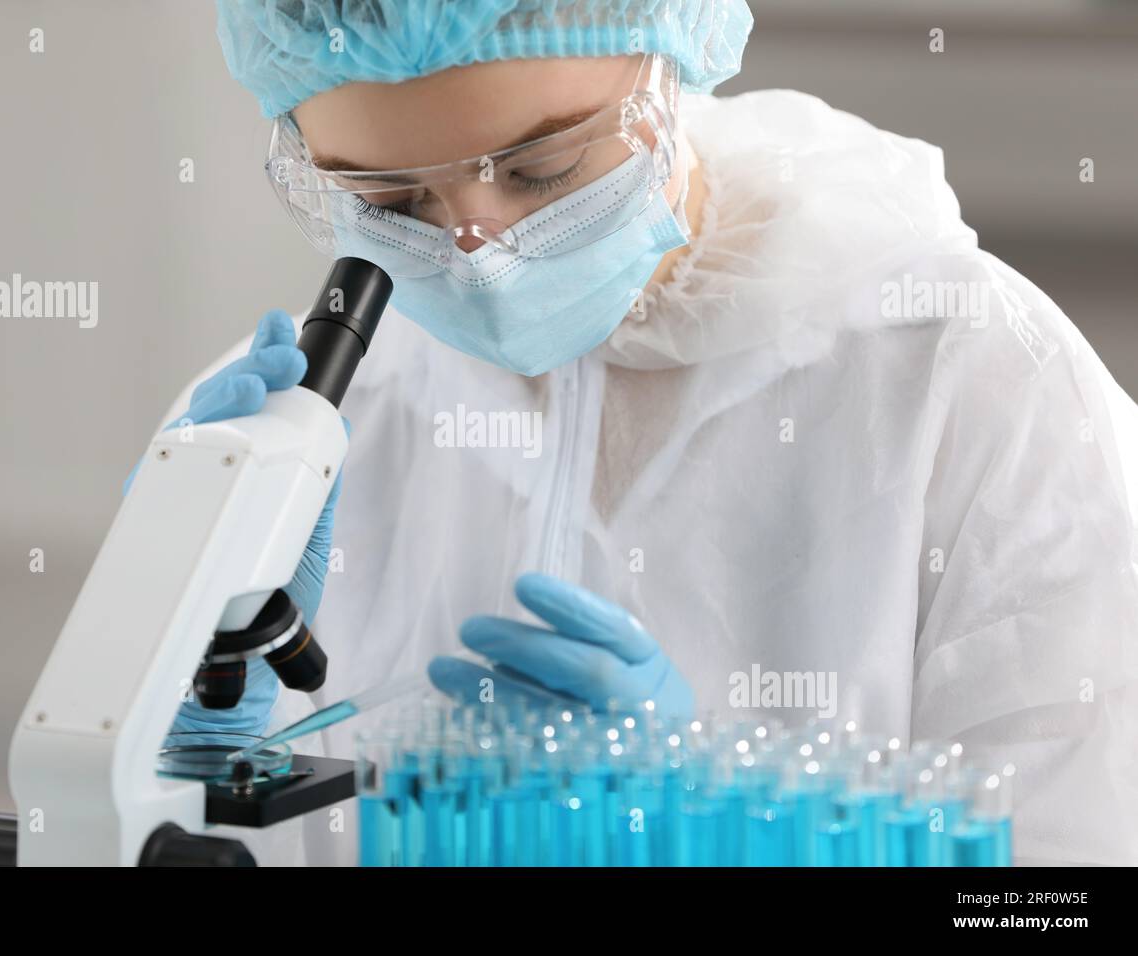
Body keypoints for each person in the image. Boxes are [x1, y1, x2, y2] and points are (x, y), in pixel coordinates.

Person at [148, 0, 1137, 865]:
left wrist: (722, 833)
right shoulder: (292, 428)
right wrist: (164, 748)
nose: (478, 255)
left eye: (540, 168)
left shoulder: (971, 383)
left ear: (663, 67)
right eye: (390, 201)